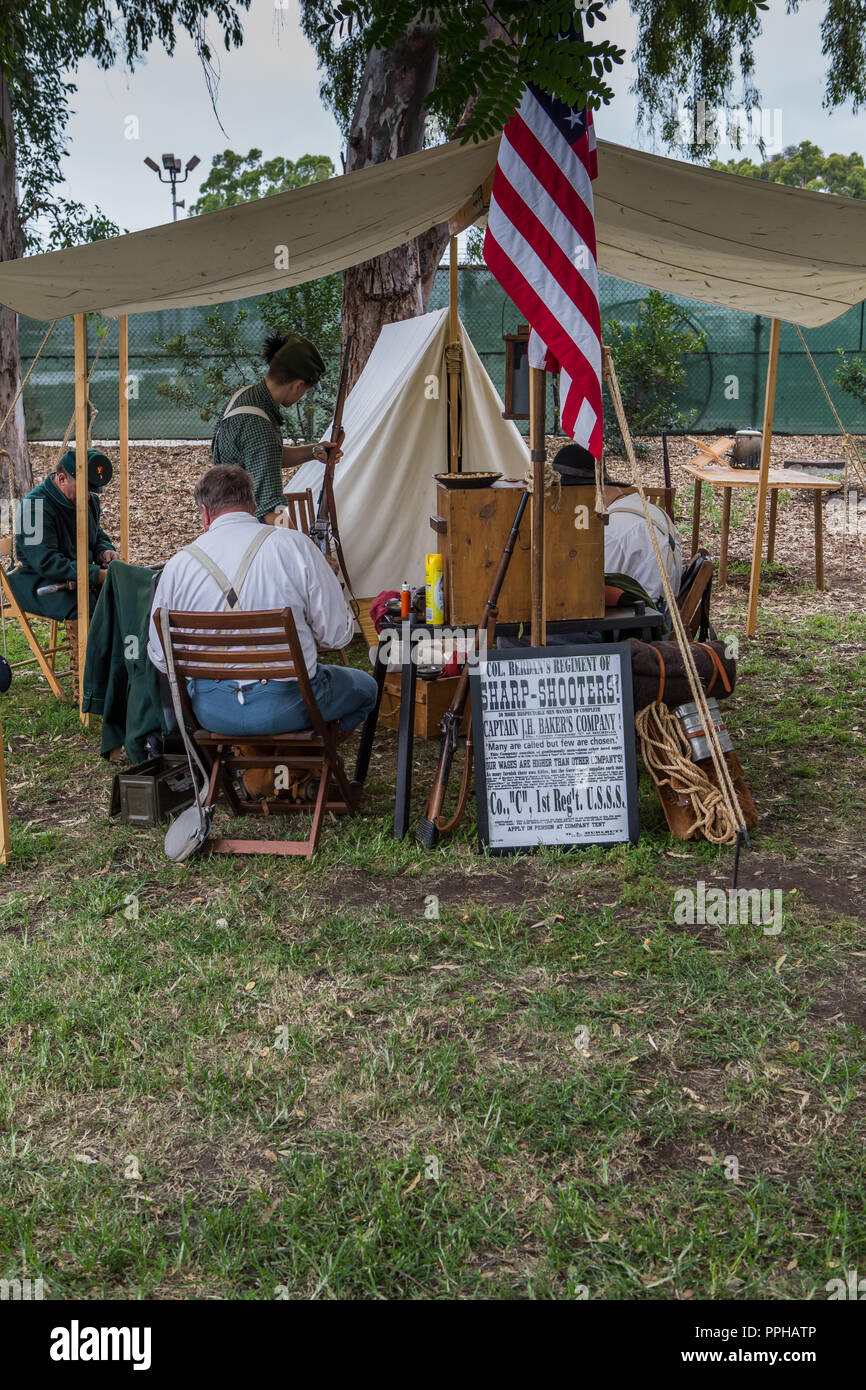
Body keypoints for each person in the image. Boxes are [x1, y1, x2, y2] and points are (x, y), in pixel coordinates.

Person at [147, 465, 377, 738]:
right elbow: (338, 636)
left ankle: (261, 763)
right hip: (289, 706)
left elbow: (162, 659)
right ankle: (302, 761)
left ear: (205, 513)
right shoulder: (296, 546)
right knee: (367, 687)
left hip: (212, 712)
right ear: (253, 505)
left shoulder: (177, 565)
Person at [211, 331, 344, 525]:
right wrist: (302, 550)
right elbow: (273, 513)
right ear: (298, 385)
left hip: (223, 518)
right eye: (306, 390)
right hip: (247, 531)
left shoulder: (245, 397)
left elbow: (261, 457)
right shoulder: (261, 429)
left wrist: (314, 451)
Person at [552, 444, 683, 603]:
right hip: (659, 608)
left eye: (566, 494)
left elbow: (592, 589)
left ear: (584, 489)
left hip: (638, 619)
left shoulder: (612, 529)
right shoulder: (647, 509)